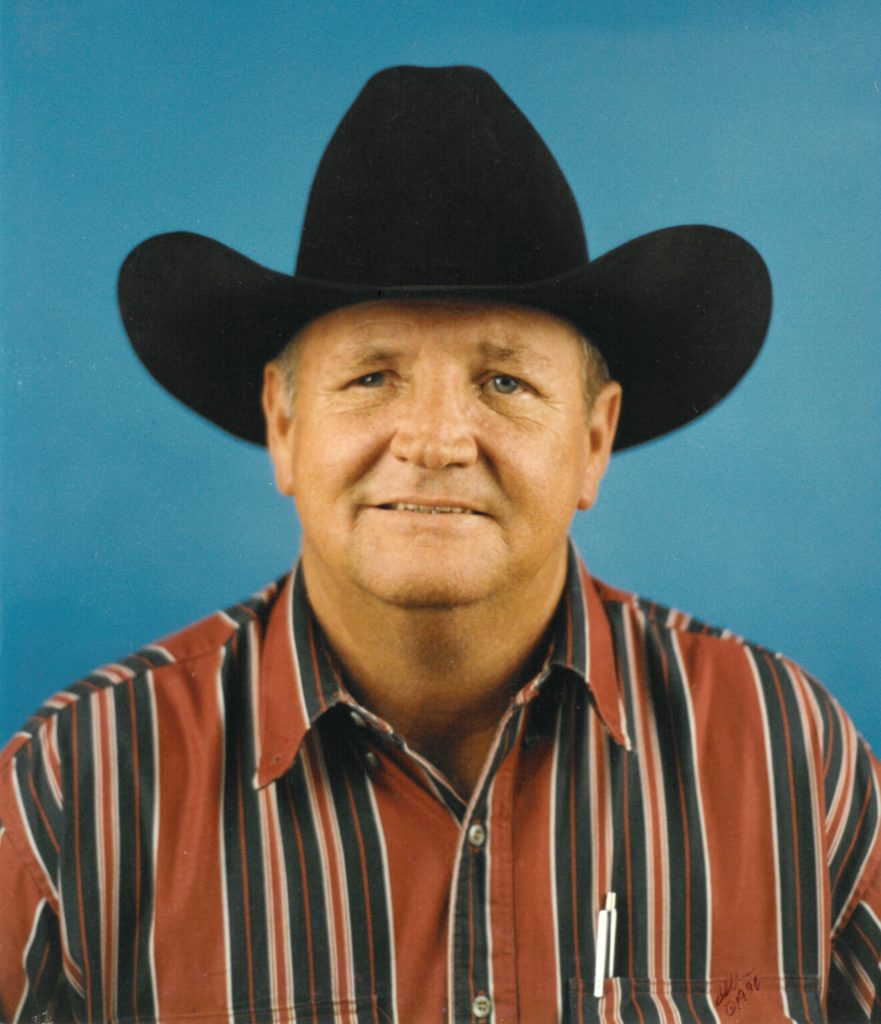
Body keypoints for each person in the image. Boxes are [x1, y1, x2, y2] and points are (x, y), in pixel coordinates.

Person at [0, 64, 878, 1024]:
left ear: (593, 440)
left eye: (504, 383)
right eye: (372, 377)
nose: (433, 442)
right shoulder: (72, 787)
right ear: (283, 428)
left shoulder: (792, 758)